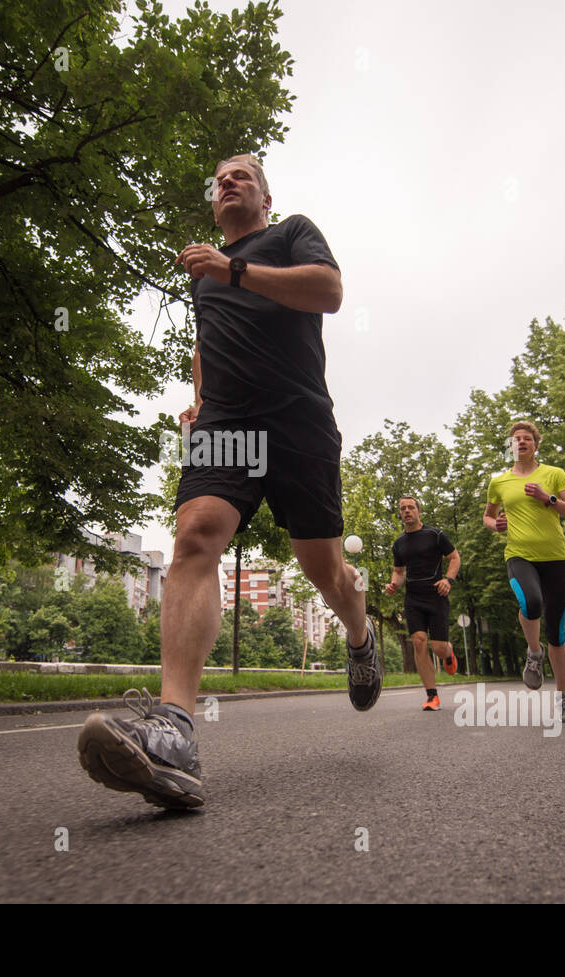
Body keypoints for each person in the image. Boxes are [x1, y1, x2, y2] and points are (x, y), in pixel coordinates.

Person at [77, 154, 376, 810]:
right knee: (194, 536)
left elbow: (328, 291)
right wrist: (200, 399)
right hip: (228, 423)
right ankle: (174, 732)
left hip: (299, 421)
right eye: (219, 180)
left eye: (241, 174)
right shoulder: (203, 276)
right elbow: (208, 341)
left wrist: (232, 267)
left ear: (265, 194)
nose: (228, 182)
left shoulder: (291, 233)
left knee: (326, 571)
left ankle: (359, 633)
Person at [482, 421, 565, 723]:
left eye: (528, 438)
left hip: (555, 558)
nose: (522, 442)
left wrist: (548, 499)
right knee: (531, 603)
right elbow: (488, 517)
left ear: (536, 445)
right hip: (519, 555)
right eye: (516, 439)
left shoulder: (554, 475)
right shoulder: (499, 482)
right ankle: (533, 652)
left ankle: (563, 697)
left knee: (557, 632)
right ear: (510, 446)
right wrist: (495, 525)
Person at [384, 495, 461, 711]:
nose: (407, 511)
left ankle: (448, 652)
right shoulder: (399, 544)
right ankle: (431, 696)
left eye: (410, 507)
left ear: (418, 510)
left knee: (438, 648)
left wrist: (448, 579)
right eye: (403, 508)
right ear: (400, 514)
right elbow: (398, 572)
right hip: (413, 598)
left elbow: (454, 558)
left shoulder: (435, 535)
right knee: (418, 641)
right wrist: (393, 585)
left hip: (436, 595)